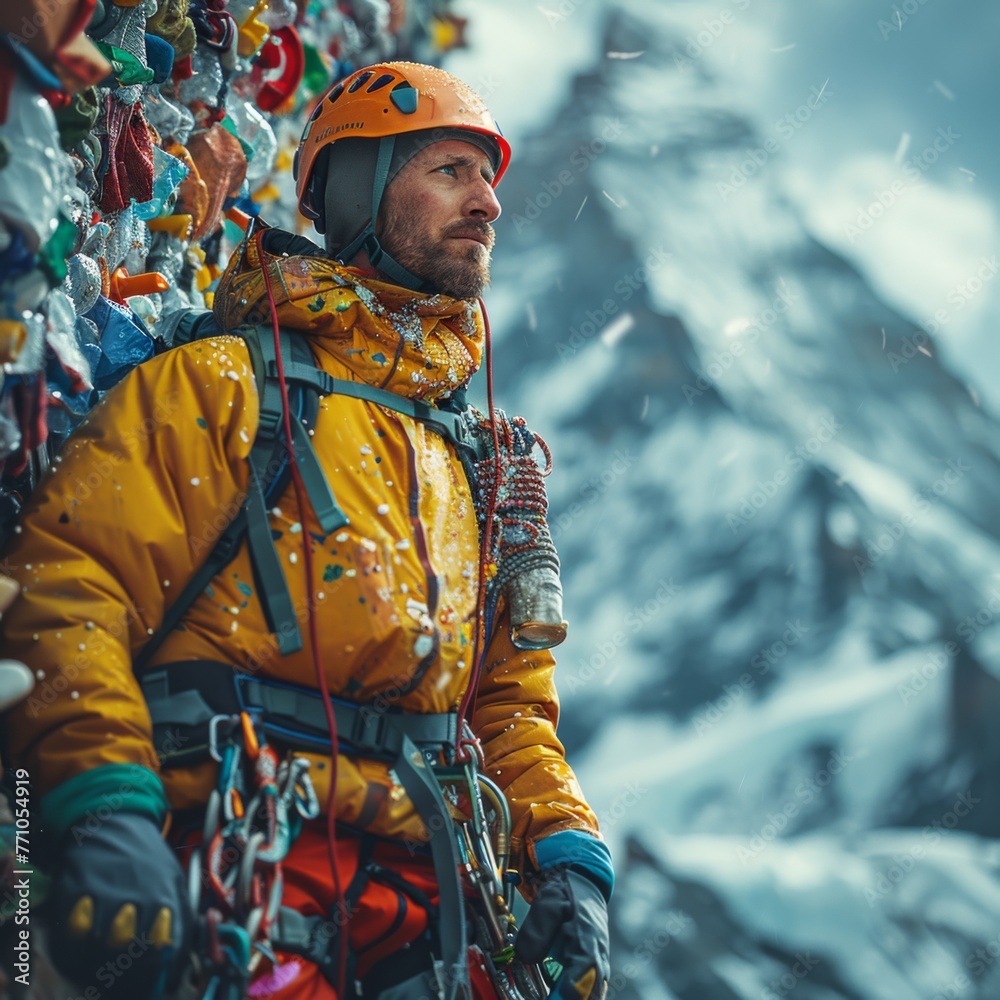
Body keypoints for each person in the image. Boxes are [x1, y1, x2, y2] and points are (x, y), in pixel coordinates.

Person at [0, 62, 612, 1000]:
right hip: (237, 878)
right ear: (360, 189)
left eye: (489, 179)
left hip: (432, 914)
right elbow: (69, 587)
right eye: (450, 171)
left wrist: (569, 855)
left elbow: (508, 705)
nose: (488, 202)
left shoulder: (466, 457)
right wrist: (105, 809)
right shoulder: (224, 386)